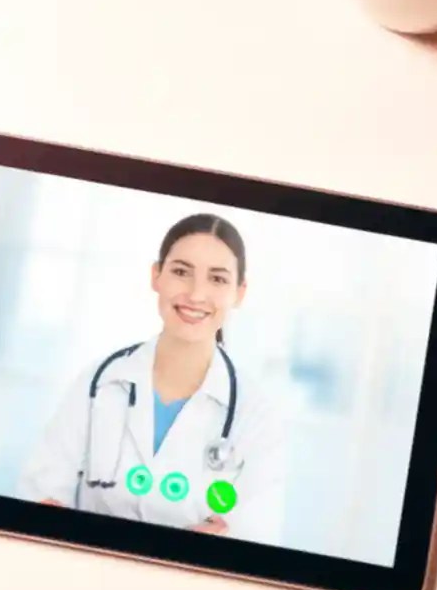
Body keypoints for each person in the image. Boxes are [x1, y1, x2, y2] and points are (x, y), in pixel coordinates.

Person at [16, 213, 289, 546]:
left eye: (217, 279)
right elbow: (41, 502)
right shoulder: (100, 384)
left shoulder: (255, 414)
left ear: (239, 293)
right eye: (180, 272)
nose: (196, 293)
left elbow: (251, 541)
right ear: (156, 276)